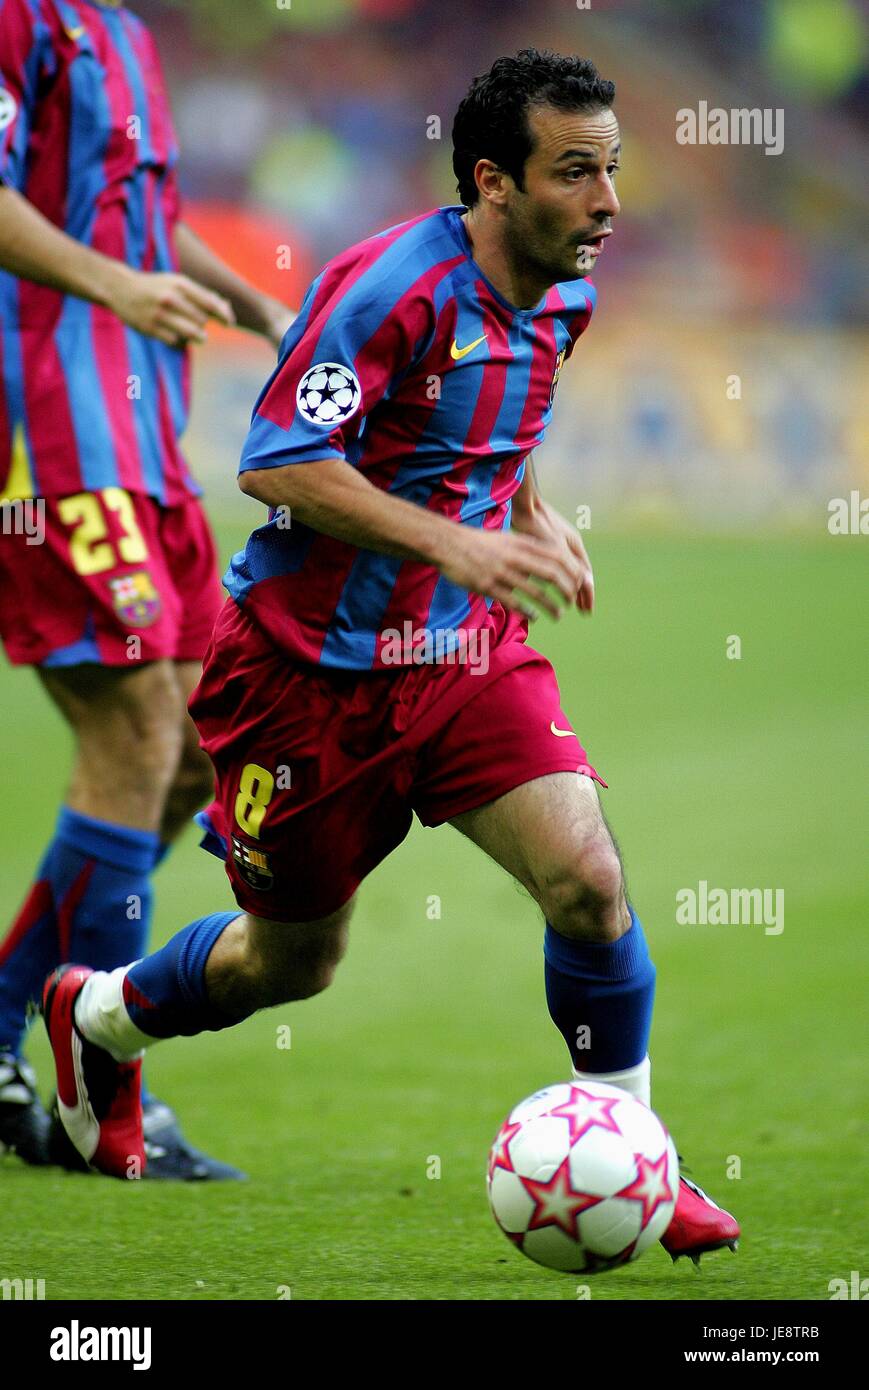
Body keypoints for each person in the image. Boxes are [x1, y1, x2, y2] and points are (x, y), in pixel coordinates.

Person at [42, 47, 739, 1262]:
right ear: (492, 180)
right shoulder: (384, 289)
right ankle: (95, 1016)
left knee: (586, 880)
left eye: (610, 170)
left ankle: (637, 1148)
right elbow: (274, 460)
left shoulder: (565, 290)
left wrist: (525, 511)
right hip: (304, 676)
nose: (607, 202)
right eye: (575, 173)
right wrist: (448, 541)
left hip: (463, 656)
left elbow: (495, 419)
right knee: (291, 962)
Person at [0, 0, 294, 1178]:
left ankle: (15, 1021)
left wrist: (265, 308)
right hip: (49, 436)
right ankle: (103, 1095)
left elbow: (144, 221)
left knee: (191, 754)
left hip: (145, 441)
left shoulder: (123, 27)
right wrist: (115, 291)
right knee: (136, 728)